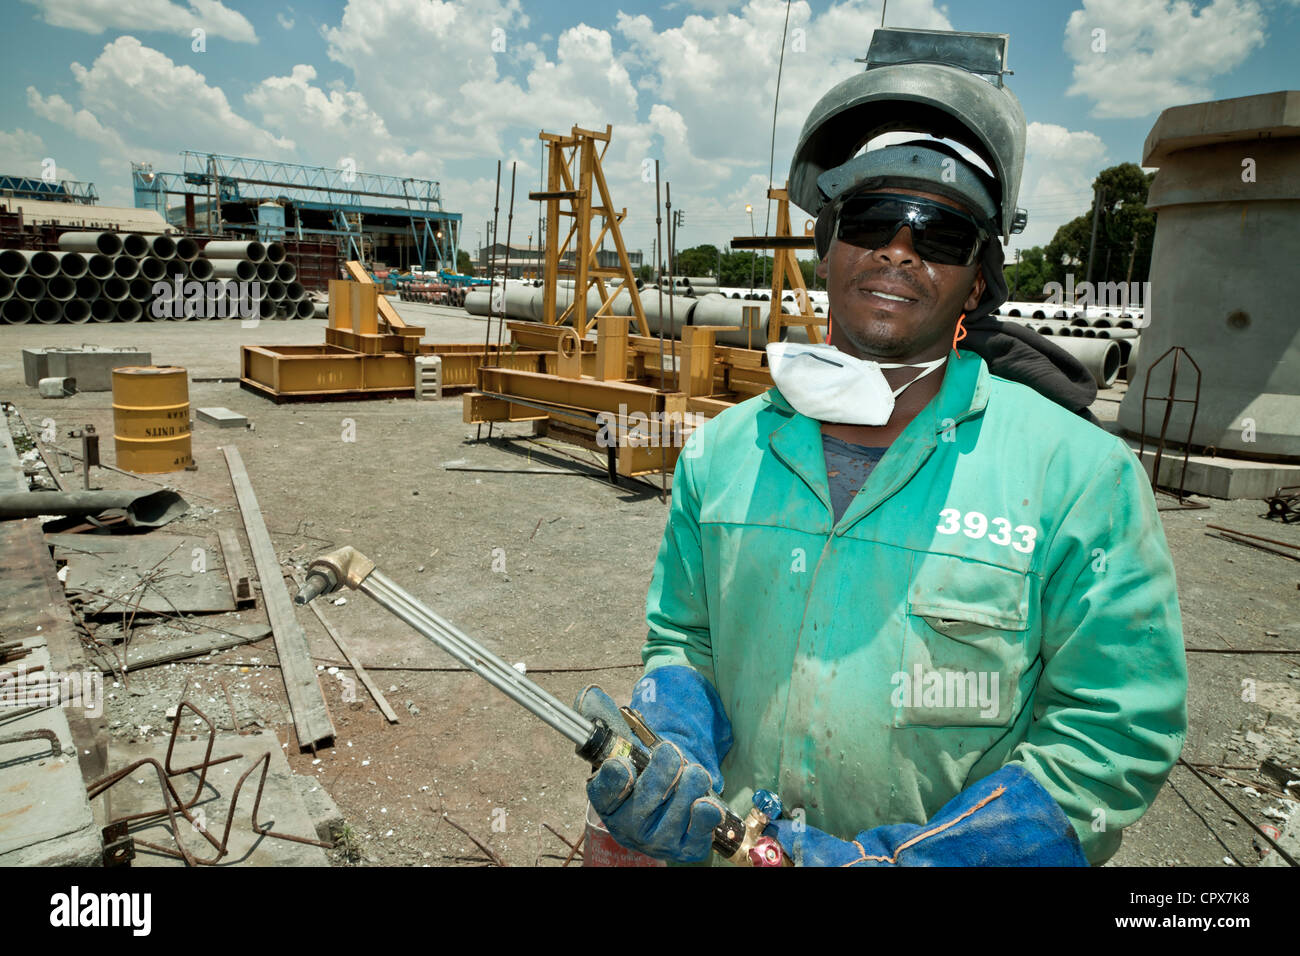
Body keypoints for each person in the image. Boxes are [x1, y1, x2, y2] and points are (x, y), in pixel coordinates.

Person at [576, 31, 1187, 866]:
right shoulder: (723, 454)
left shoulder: (1078, 477)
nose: (899, 248)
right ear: (827, 247)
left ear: (977, 279)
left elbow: (1117, 722)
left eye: (939, 235)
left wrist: (925, 858)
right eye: (870, 221)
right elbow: (685, 637)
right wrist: (675, 735)